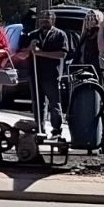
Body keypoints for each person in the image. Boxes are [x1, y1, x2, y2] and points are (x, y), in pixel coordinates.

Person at [21, 10, 69, 138]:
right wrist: (29, 48)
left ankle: (56, 131)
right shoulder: (33, 35)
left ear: (53, 20)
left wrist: (40, 53)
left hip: (51, 75)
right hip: (35, 74)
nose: (44, 21)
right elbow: (22, 53)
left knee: (54, 103)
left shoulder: (60, 35)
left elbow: (62, 54)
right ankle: (39, 129)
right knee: (38, 103)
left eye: (47, 19)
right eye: (42, 19)